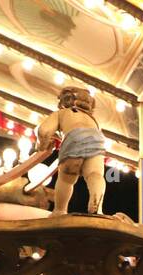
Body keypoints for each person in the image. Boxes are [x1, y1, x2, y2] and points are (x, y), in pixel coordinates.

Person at [37, 86, 108, 215]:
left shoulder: (62, 113)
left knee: (66, 180)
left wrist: (42, 144)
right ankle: (98, 205)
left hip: (74, 139)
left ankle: (60, 210)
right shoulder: (94, 120)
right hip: (97, 139)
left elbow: (44, 130)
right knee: (95, 175)